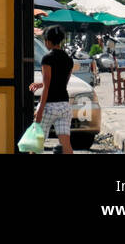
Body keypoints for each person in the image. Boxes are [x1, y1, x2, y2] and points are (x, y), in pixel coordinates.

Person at [30, 24, 74, 154]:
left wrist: (39, 111)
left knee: (36, 144)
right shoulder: (69, 60)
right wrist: (42, 84)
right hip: (64, 106)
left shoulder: (47, 59)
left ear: (48, 41)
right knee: (66, 145)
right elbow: (62, 82)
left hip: (49, 106)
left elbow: (48, 86)